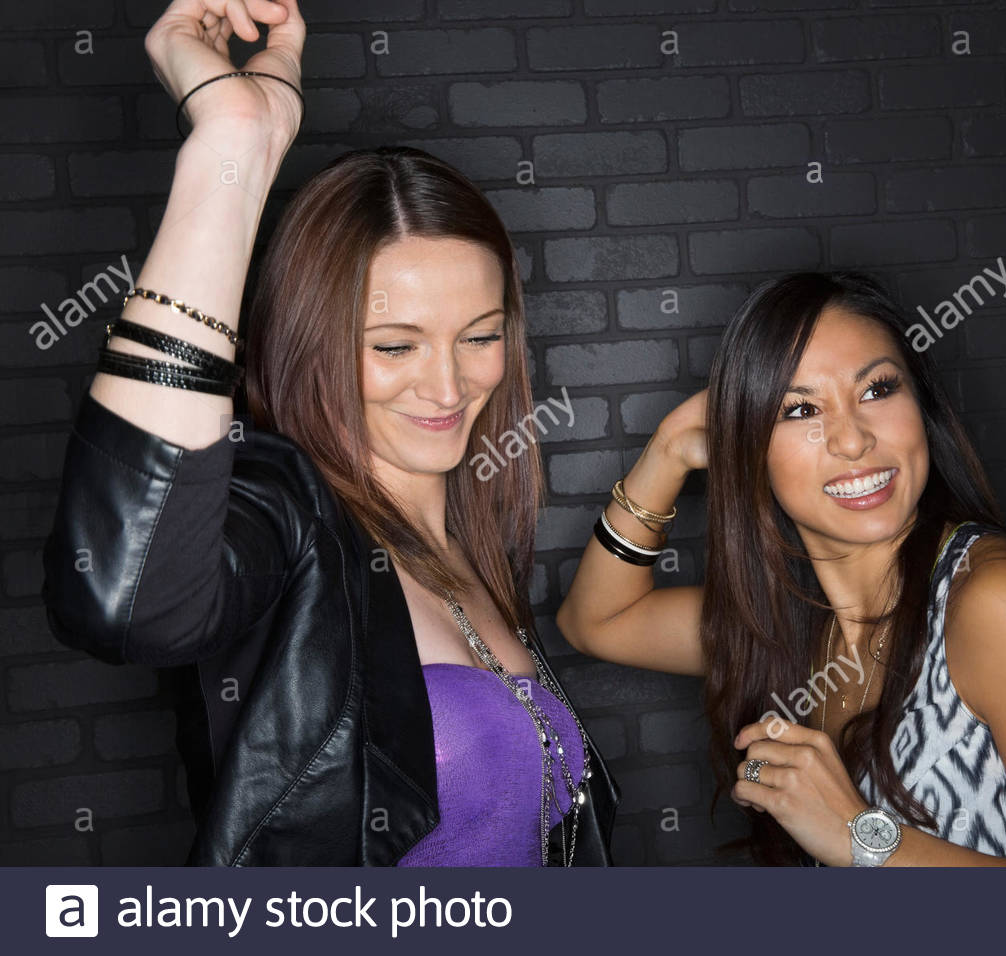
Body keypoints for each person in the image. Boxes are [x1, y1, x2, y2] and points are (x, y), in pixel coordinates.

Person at [41, 0, 617, 866]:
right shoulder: (289, 523)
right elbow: (122, 592)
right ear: (312, 345)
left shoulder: (472, 546)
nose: (449, 385)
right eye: (394, 345)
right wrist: (236, 146)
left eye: (480, 337)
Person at [557, 271, 1006, 866]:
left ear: (922, 407)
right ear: (749, 449)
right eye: (801, 410)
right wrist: (669, 450)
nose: (853, 440)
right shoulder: (792, 623)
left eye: (878, 390)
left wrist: (861, 838)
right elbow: (597, 621)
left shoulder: (1003, 604)